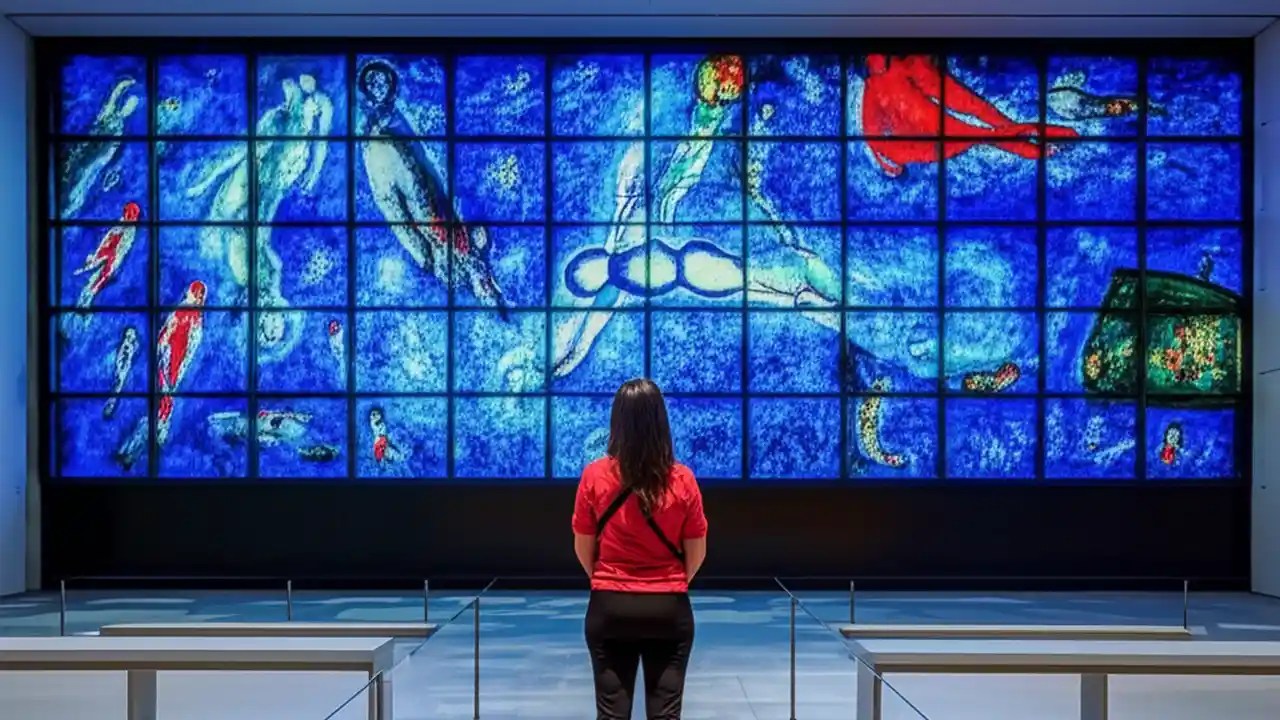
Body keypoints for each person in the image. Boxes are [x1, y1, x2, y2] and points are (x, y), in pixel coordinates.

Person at [572, 379, 708, 720]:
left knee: (611, 713)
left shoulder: (594, 476)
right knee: (666, 714)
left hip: (609, 607)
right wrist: (669, 580)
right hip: (667, 609)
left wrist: (609, 580)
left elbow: (583, 549)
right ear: (661, 421)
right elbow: (696, 554)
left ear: (616, 422)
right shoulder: (683, 480)